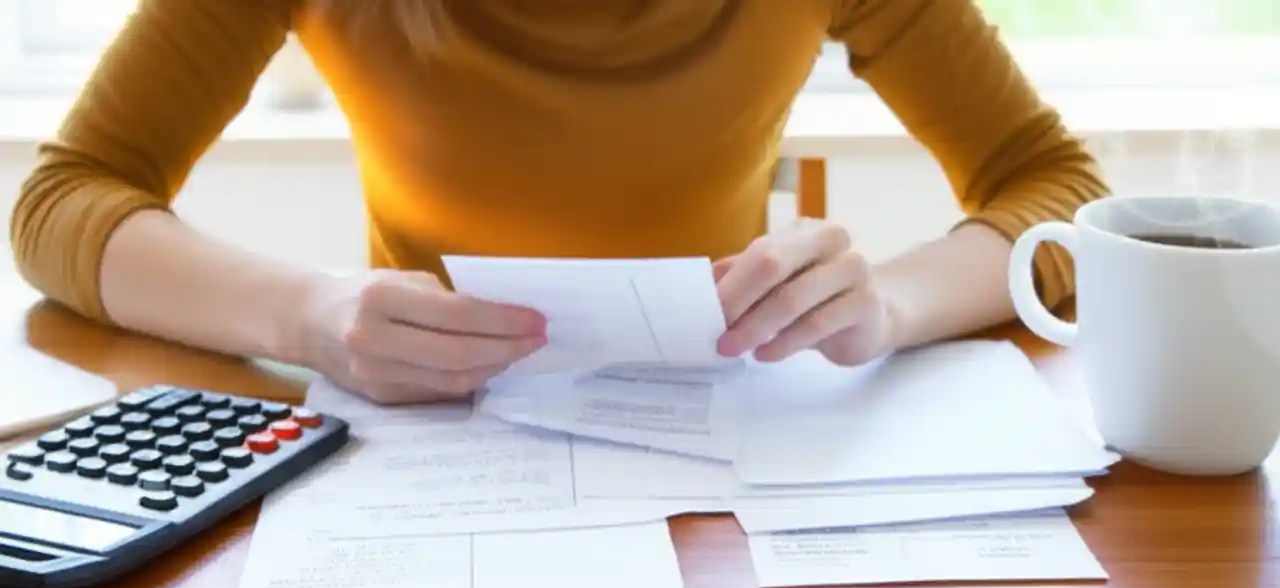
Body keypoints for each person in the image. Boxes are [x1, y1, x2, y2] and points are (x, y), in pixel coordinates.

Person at [10, 0, 1107, 405]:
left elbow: (1055, 188)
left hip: (722, 465)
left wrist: (891, 305)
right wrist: (306, 318)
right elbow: (64, 200)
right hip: (426, 449)